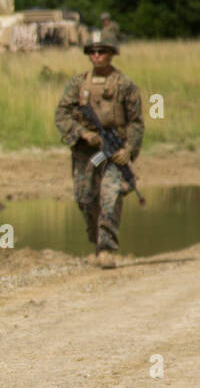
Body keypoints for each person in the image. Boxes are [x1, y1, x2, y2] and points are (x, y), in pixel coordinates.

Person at [54, 29, 144, 268]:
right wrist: (82, 133)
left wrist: (129, 150)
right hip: (87, 152)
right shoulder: (78, 83)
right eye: (92, 51)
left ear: (112, 53)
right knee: (85, 198)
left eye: (101, 51)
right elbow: (62, 114)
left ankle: (106, 248)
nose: (96, 55)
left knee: (111, 196)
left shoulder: (125, 85)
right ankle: (96, 241)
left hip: (114, 151)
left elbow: (136, 122)